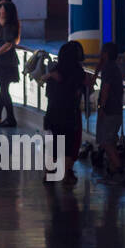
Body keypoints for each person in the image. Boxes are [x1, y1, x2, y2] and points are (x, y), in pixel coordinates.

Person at [46, 41, 94, 179]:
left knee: (54, 143)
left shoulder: (54, 71)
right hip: (70, 113)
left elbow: (48, 93)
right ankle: (67, 173)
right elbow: (88, 90)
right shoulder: (80, 73)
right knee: (70, 144)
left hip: (53, 112)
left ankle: (49, 174)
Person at [95, 42, 125, 176]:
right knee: (111, 140)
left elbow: (106, 88)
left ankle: (120, 170)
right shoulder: (115, 67)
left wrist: (102, 106)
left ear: (105, 54)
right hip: (117, 109)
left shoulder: (108, 69)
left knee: (106, 142)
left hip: (109, 110)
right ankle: (113, 170)